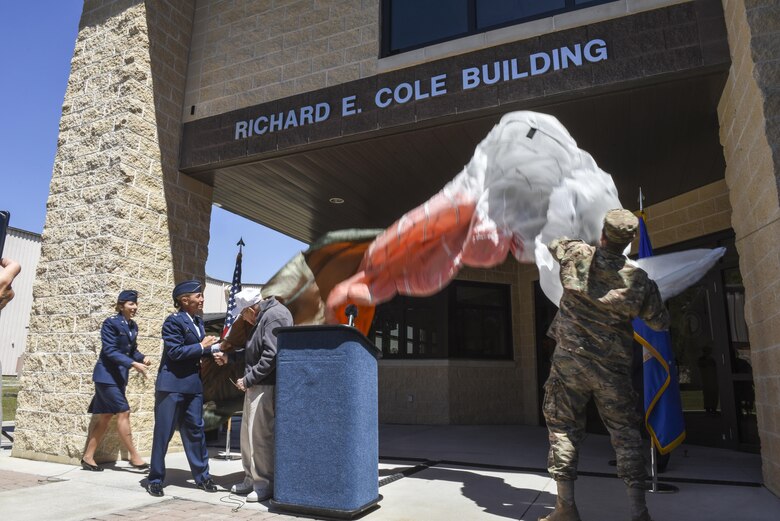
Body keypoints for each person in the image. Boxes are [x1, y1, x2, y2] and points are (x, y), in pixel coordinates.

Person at [541, 209, 670, 521]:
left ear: (603, 234)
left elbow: (551, 240)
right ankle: (639, 512)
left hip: (569, 365)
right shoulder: (639, 280)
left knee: (563, 430)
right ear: (629, 241)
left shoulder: (577, 254)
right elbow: (659, 323)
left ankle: (566, 509)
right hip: (612, 370)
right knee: (625, 434)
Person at [214, 288, 293, 502]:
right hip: (257, 385)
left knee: (260, 437)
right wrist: (230, 358)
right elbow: (254, 351)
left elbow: (272, 355)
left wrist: (248, 379)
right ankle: (251, 479)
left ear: (251, 309)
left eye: (243, 314)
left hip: (266, 386)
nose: (244, 319)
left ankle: (263, 484)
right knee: (249, 437)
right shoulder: (263, 316)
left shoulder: (274, 315)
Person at [146, 280, 221, 497]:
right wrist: (201, 346)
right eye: (198, 296)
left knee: (196, 432)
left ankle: (202, 477)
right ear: (184, 300)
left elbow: (197, 350)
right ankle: (156, 479)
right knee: (163, 433)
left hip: (192, 387)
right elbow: (176, 352)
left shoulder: (197, 321)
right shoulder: (173, 322)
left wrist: (212, 352)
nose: (202, 299)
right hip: (171, 386)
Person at [82, 290, 151, 471]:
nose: (134, 307)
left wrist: (142, 358)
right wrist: (133, 364)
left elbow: (131, 350)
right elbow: (109, 351)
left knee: (105, 417)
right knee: (124, 412)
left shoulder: (133, 326)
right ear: (121, 306)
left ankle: (88, 457)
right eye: (130, 304)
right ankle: (135, 458)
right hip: (106, 377)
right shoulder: (110, 323)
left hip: (118, 378)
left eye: (135, 304)